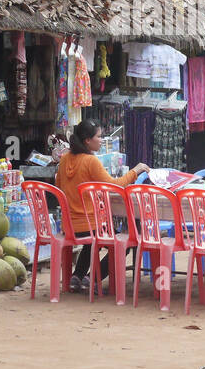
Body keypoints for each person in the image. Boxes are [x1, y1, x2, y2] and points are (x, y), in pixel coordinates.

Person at [55, 118, 149, 292]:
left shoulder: (65, 159)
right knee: (125, 243)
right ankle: (93, 278)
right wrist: (136, 171)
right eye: (98, 136)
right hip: (92, 225)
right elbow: (115, 186)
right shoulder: (91, 161)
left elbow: (59, 187)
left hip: (70, 226)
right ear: (87, 141)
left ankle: (77, 277)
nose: (101, 139)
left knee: (90, 243)